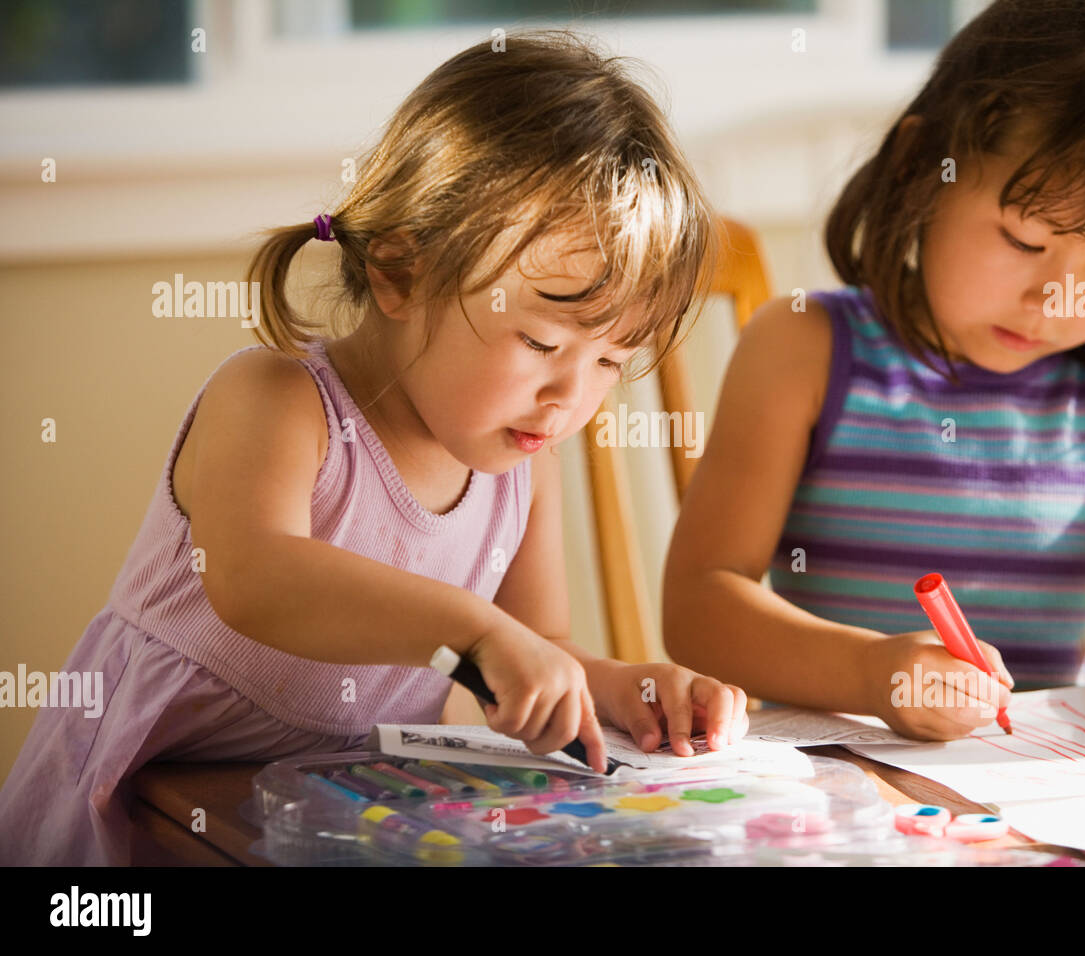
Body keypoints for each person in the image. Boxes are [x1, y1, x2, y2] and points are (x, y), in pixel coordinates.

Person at [0, 30, 748, 866]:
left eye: (609, 361)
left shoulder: (524, 467)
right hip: (136, 814)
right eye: (539, 343)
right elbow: (255, 577)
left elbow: (542, 647)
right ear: (399, 272)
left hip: (311, 818)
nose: (569, 396)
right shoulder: (276, 399)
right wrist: (472, 629)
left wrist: (629, 689)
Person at [663, 0, 1085, 741]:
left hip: (1044, 804)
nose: (1055, 297)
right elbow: (699, 607)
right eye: (1024, 241)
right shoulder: (805, 349)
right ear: (920, 166)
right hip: (835, 792)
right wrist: (873, 673)